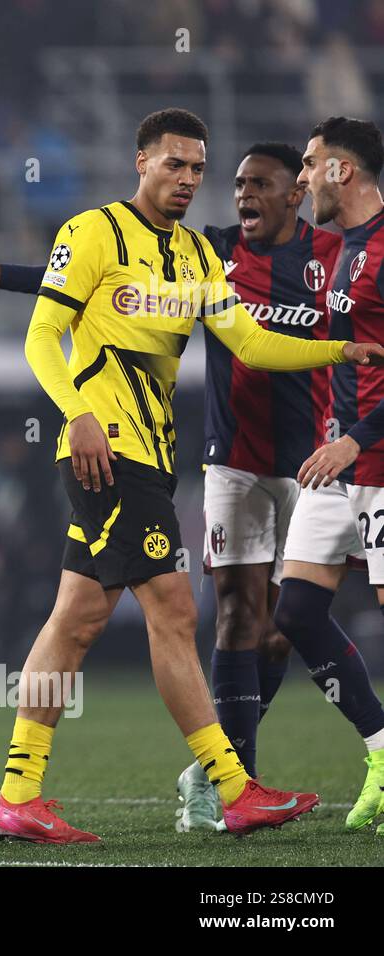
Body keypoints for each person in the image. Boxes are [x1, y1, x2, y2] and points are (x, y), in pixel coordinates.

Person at [0, 108, 383, 843]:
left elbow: (250, 340)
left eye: (196, 169)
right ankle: (233, 787)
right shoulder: (92, 233)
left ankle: (18, 794)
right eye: (173, 164)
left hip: (149, 458)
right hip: (106, 451)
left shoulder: (193, 255)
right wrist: (79, 414)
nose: (187, 179)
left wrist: (336, 354)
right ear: (140, 163)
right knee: (177, 614)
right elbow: (42, 337)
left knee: (77, 619)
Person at [270, 117, 384, 836]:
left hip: (374, 461)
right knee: (296, 613)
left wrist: (358, 440)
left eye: (310, 166)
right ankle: (381, 751)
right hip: (337, 464)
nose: (300, 179)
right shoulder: (343, 250)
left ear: (342, 171)